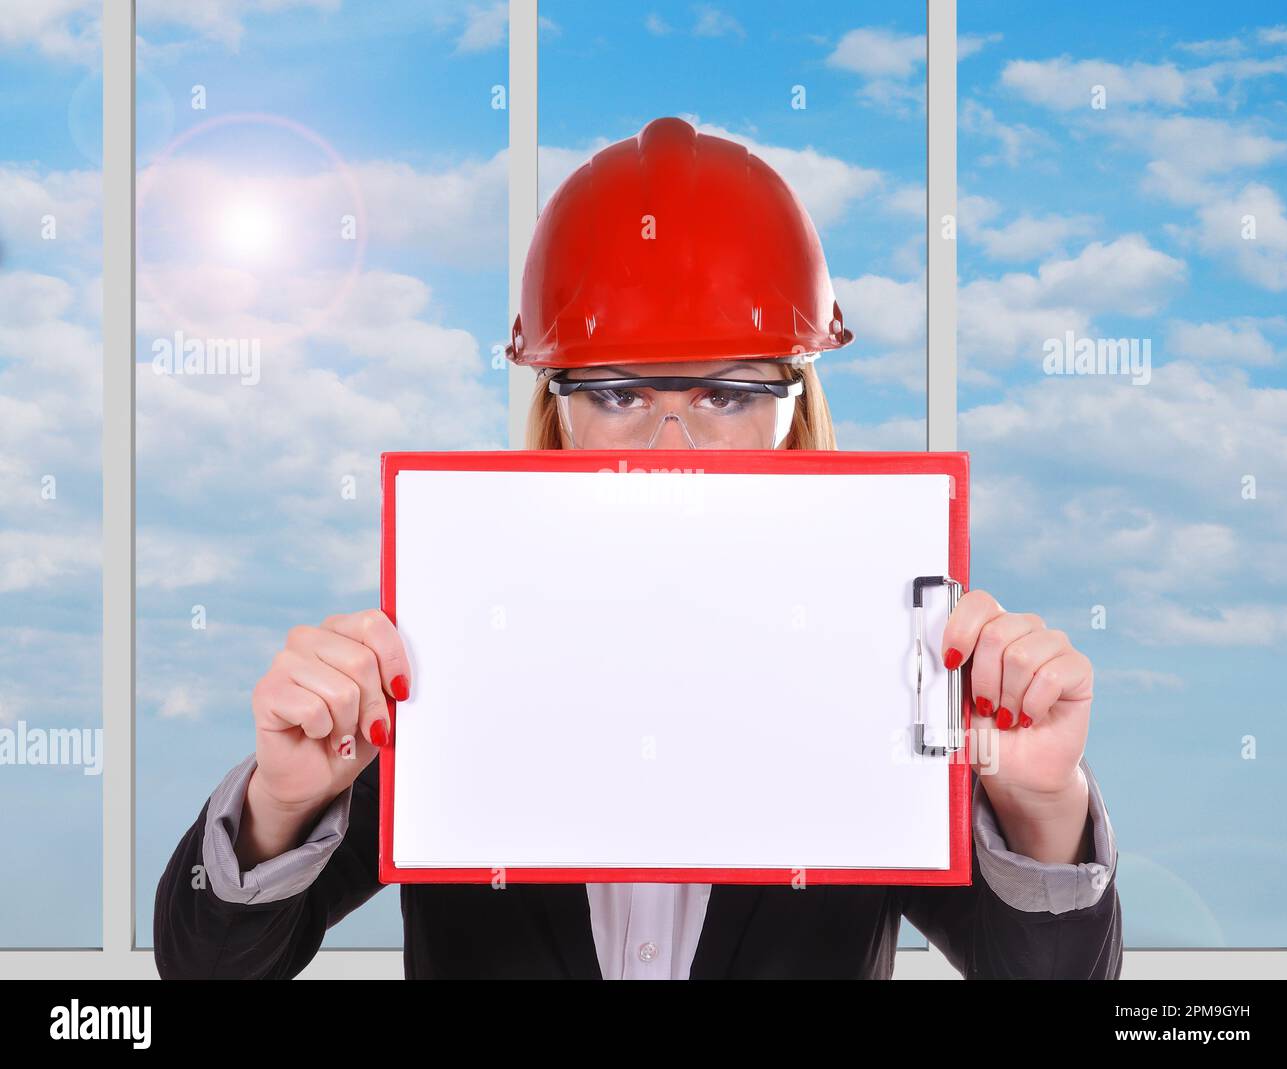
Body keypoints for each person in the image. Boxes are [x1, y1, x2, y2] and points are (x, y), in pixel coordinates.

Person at [154, 117, 1121, 980]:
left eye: (728, 394)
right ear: (557, 412)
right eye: (617, 394)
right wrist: (278, 805)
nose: (670, 449)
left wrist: (1042, 809)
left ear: (795, 414)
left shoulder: (899, 655)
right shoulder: (443, 638)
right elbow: (207, 969)